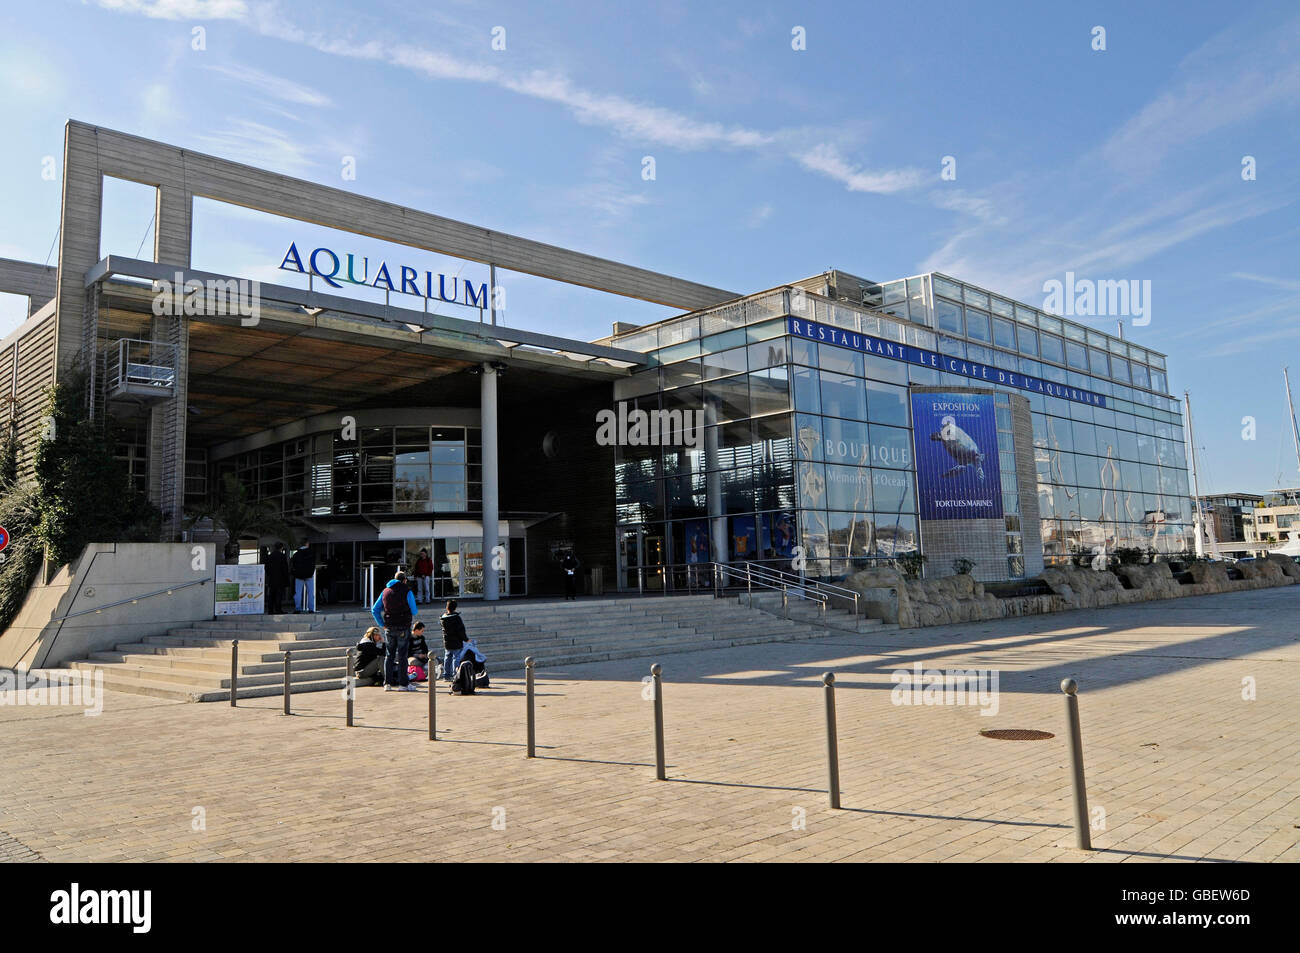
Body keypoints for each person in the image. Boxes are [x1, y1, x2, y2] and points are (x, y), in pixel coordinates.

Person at [371, 570, 419, 691]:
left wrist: (382, 624)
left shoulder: (385, 591)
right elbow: (414, 611)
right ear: (404, 580)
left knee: (389, 655)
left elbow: (375, 610)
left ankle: (387, 683)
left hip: (389, 627)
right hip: (403, 627)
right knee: (402, 656)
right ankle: (403, 684)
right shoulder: (407, 591)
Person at [438, 599, 469, 681]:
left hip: (447, 642)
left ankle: (446, 675)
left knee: (447, 658)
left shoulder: (443, 619)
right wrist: (466, 639)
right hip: (456, 642)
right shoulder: (457, 618)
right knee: (456, 658)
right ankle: (455, 675)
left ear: (447, 608)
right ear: (455, 608)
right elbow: (461, 631)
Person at [291, 542, 316, 614]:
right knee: (310, 592)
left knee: (298, 593)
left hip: (298, 576)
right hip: (309, 575)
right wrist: (311, 572)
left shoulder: (296, 554)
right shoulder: (311, 553)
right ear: (307, 544)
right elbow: (313, 564)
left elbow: (293, 565)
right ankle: (311, 609)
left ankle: (298, 608)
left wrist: (295, 573)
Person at [265, 541, 290, 614]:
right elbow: (285, 568)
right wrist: (286, 578)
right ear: (281, 548)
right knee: (279, 595)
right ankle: (278, 609)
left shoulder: (270, 556)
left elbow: (267, 568)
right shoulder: (282, 556)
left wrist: (269, 575)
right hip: (280, 579)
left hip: (272, 579)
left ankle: (270, 610)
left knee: (271, 595)